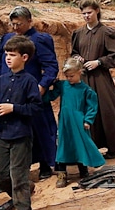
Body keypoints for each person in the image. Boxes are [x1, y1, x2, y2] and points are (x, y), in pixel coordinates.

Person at [0, 6, 59, 181]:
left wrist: (42, 86)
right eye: (13, 24)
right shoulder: (8, 39)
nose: (15, 28)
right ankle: (8, 174)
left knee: (39, 130)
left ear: (29, 22)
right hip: (7, 90)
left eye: (19, 24)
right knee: (9, 131)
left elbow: (51, 66)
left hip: (30, 92)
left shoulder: (39, 40)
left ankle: (45, 164)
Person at [0, 35, 42, 210]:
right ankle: (24, 192)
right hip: (2, 134)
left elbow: (35, 108)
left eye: (12, 55)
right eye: (6, 55)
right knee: (1, 176)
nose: (8, 59)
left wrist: (14, 108)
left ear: (25, 57)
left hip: (21, 135)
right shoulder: (1, 81)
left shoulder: (29, 82)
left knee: (17, 177)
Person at [70, 0, 115, 158]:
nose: (86, 16)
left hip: (101, 78)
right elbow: (74, 52)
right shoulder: (78, 33)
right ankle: (90, 148)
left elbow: (114, 57)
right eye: (83, 13)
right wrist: (78, 59)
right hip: (83, 78)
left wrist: (98, 62)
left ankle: (113, 148)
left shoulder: (108, 33)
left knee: (106, 110)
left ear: (97, 11)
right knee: (85, 111)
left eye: (89, 12)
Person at [45, 56, 107, 188]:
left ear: (80, 72)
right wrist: (47, 88)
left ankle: (83, 171)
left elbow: (92, 107)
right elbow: (50, 96)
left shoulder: (86, 90)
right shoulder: (62, 85)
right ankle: (62, 174)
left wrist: (88, 120)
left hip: (79, 123)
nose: (69, 79)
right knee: (63, 146)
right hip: (65, 123)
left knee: (80, 145)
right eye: (67, 76)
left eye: (71, 76)